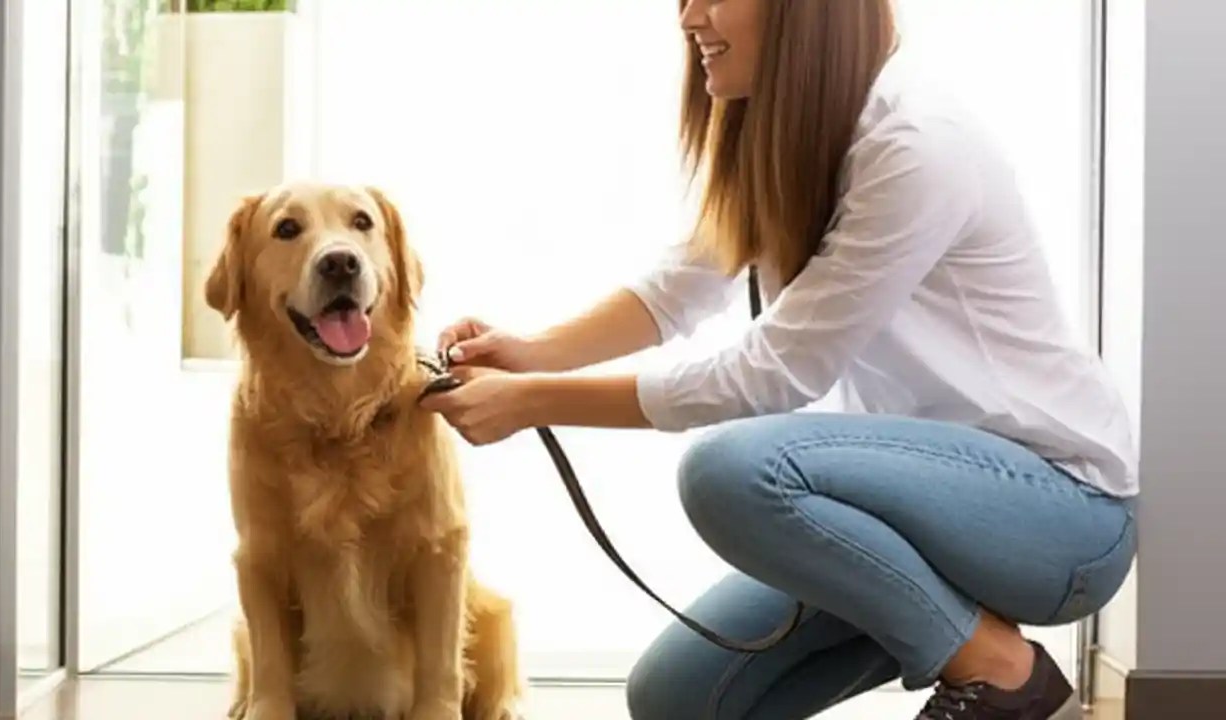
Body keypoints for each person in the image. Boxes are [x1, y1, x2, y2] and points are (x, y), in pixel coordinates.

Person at [419, 0, 1137, 718]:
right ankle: (961, 631)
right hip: (918, 518)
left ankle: (1002, 669)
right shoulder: (797, 137)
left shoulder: (915, 144)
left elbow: (775, 372)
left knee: (732, 471)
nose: (689, 16)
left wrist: (533, 401)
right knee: (675, 700)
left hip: (1063, 514)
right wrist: (532, 354)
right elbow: (681, 287)